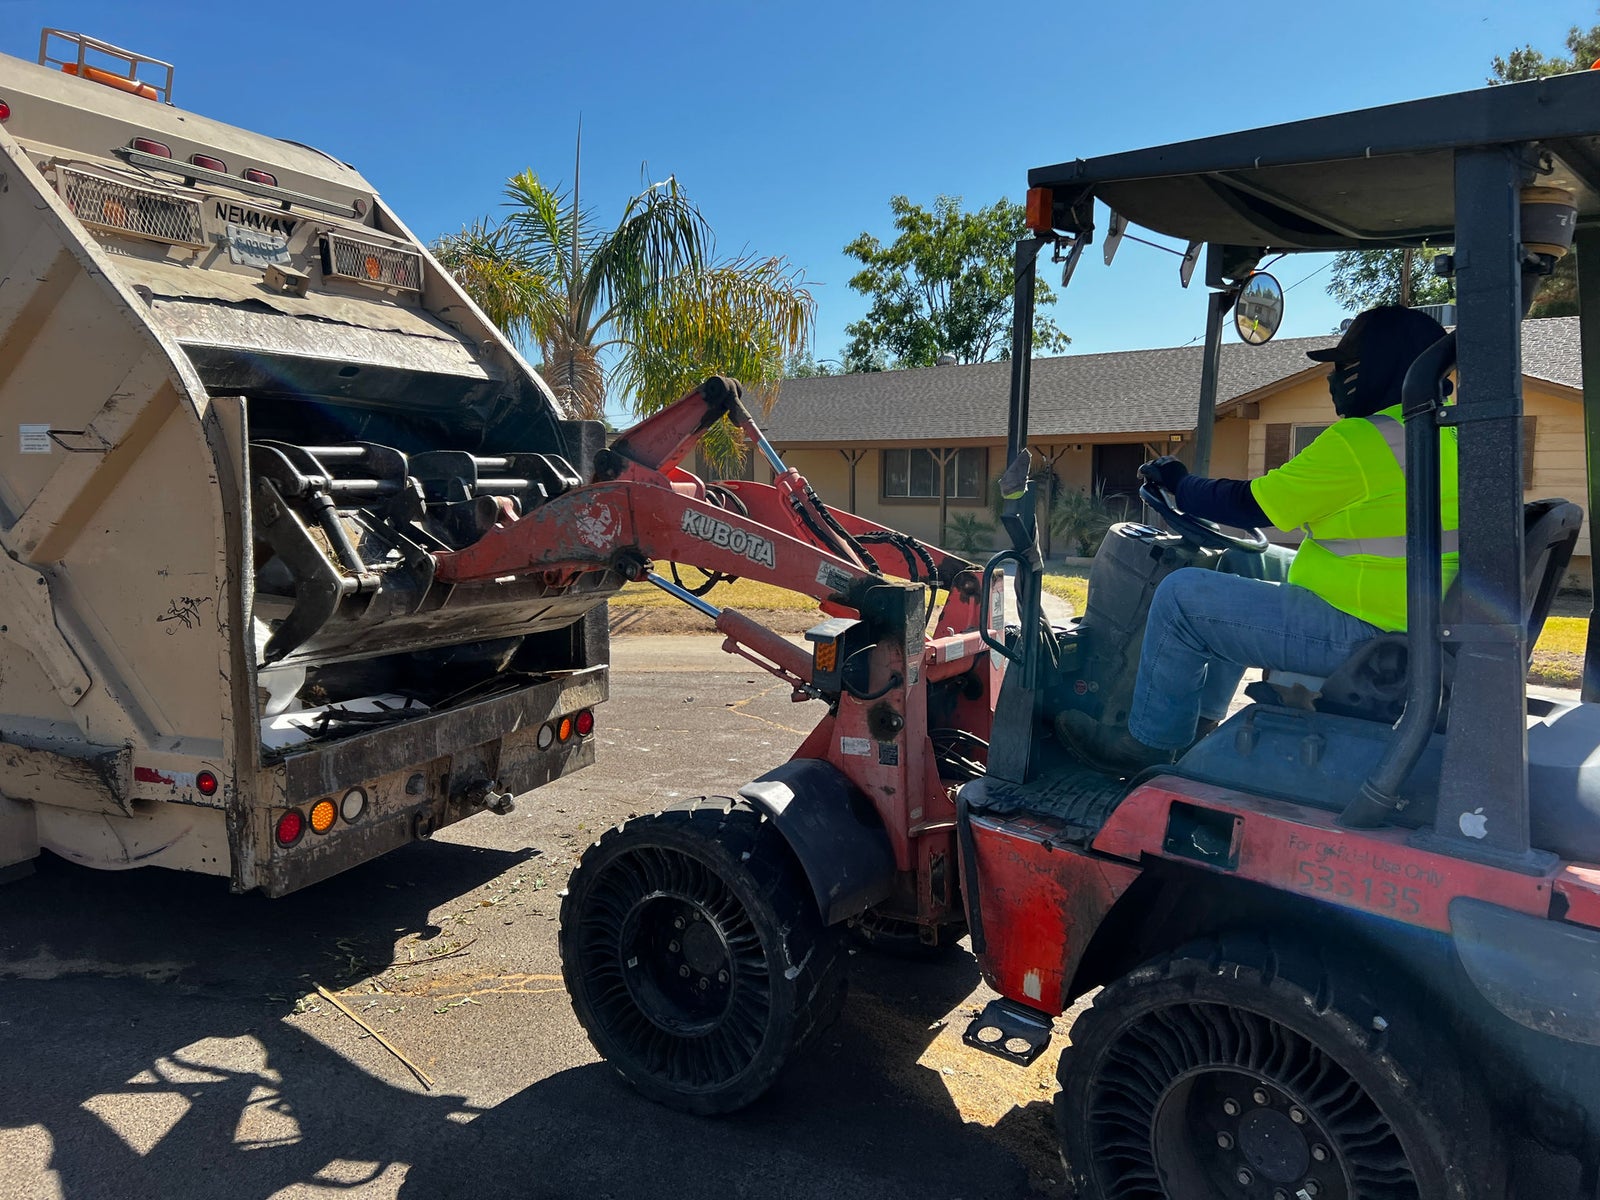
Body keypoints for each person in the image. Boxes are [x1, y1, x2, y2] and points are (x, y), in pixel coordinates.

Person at [1058, 304, 1458, 774]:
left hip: (1366, 633)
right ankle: (1203, 723)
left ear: (1381, 366)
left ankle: (1150, 743)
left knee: (1180, 599)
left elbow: (1252, 506)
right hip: (1399, 611)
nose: (1333, 379)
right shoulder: (1439, 434)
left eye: (1342, 367)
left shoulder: (1366, 441)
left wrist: (1180, 483)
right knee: (1247, 561)